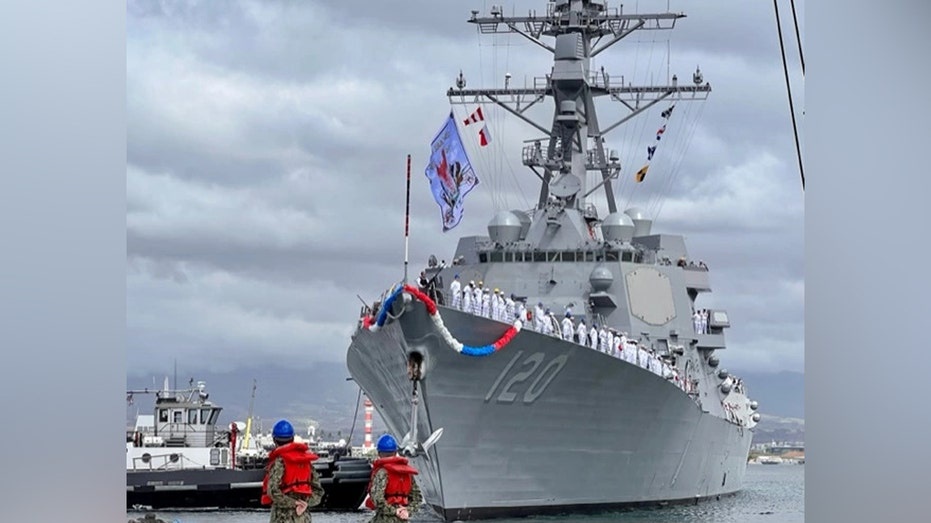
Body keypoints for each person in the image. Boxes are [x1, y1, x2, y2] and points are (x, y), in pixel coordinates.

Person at [261, 419, 323, 523]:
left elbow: (272, 491)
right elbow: (318, 492)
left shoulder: (280, 462)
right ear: (293, 438)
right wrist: (305, 503)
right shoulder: (306, 462)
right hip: (303, 517)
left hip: (282, 518)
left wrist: (294, 503)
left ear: (274, 440)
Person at [365, 434, 423, 522]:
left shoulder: (382, 472)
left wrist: (394, 511)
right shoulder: (407, 473)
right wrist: (407, 511)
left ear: (379, 453)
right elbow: (417, 498)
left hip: (384, 519)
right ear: (395, 452)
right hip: (403, 518)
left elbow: (377, 498)